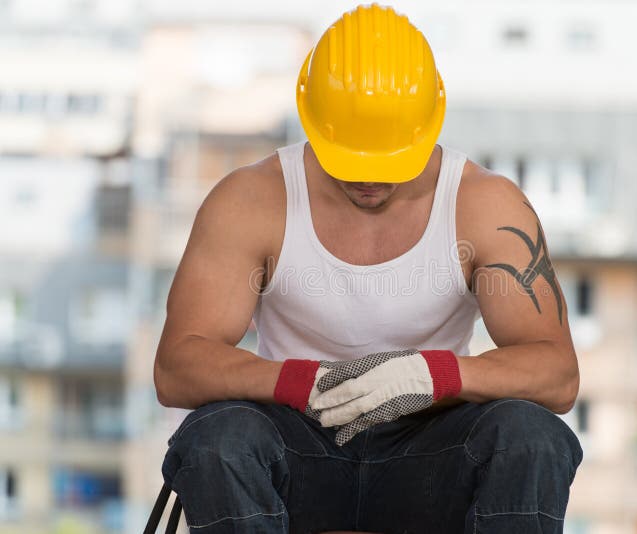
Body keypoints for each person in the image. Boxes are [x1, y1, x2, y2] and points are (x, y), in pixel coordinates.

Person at [155, 4, 583, 534]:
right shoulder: (251, 200)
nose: (371, 183)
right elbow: (176, 369)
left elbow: (558, 376)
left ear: (426, 128)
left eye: (389, 164)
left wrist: (434, 376)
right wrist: (297, 381)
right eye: (351, 162)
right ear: (315, 125)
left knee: (532, 437)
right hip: (296, 449)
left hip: (432, 453)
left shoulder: (486, 205)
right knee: (215, 439)